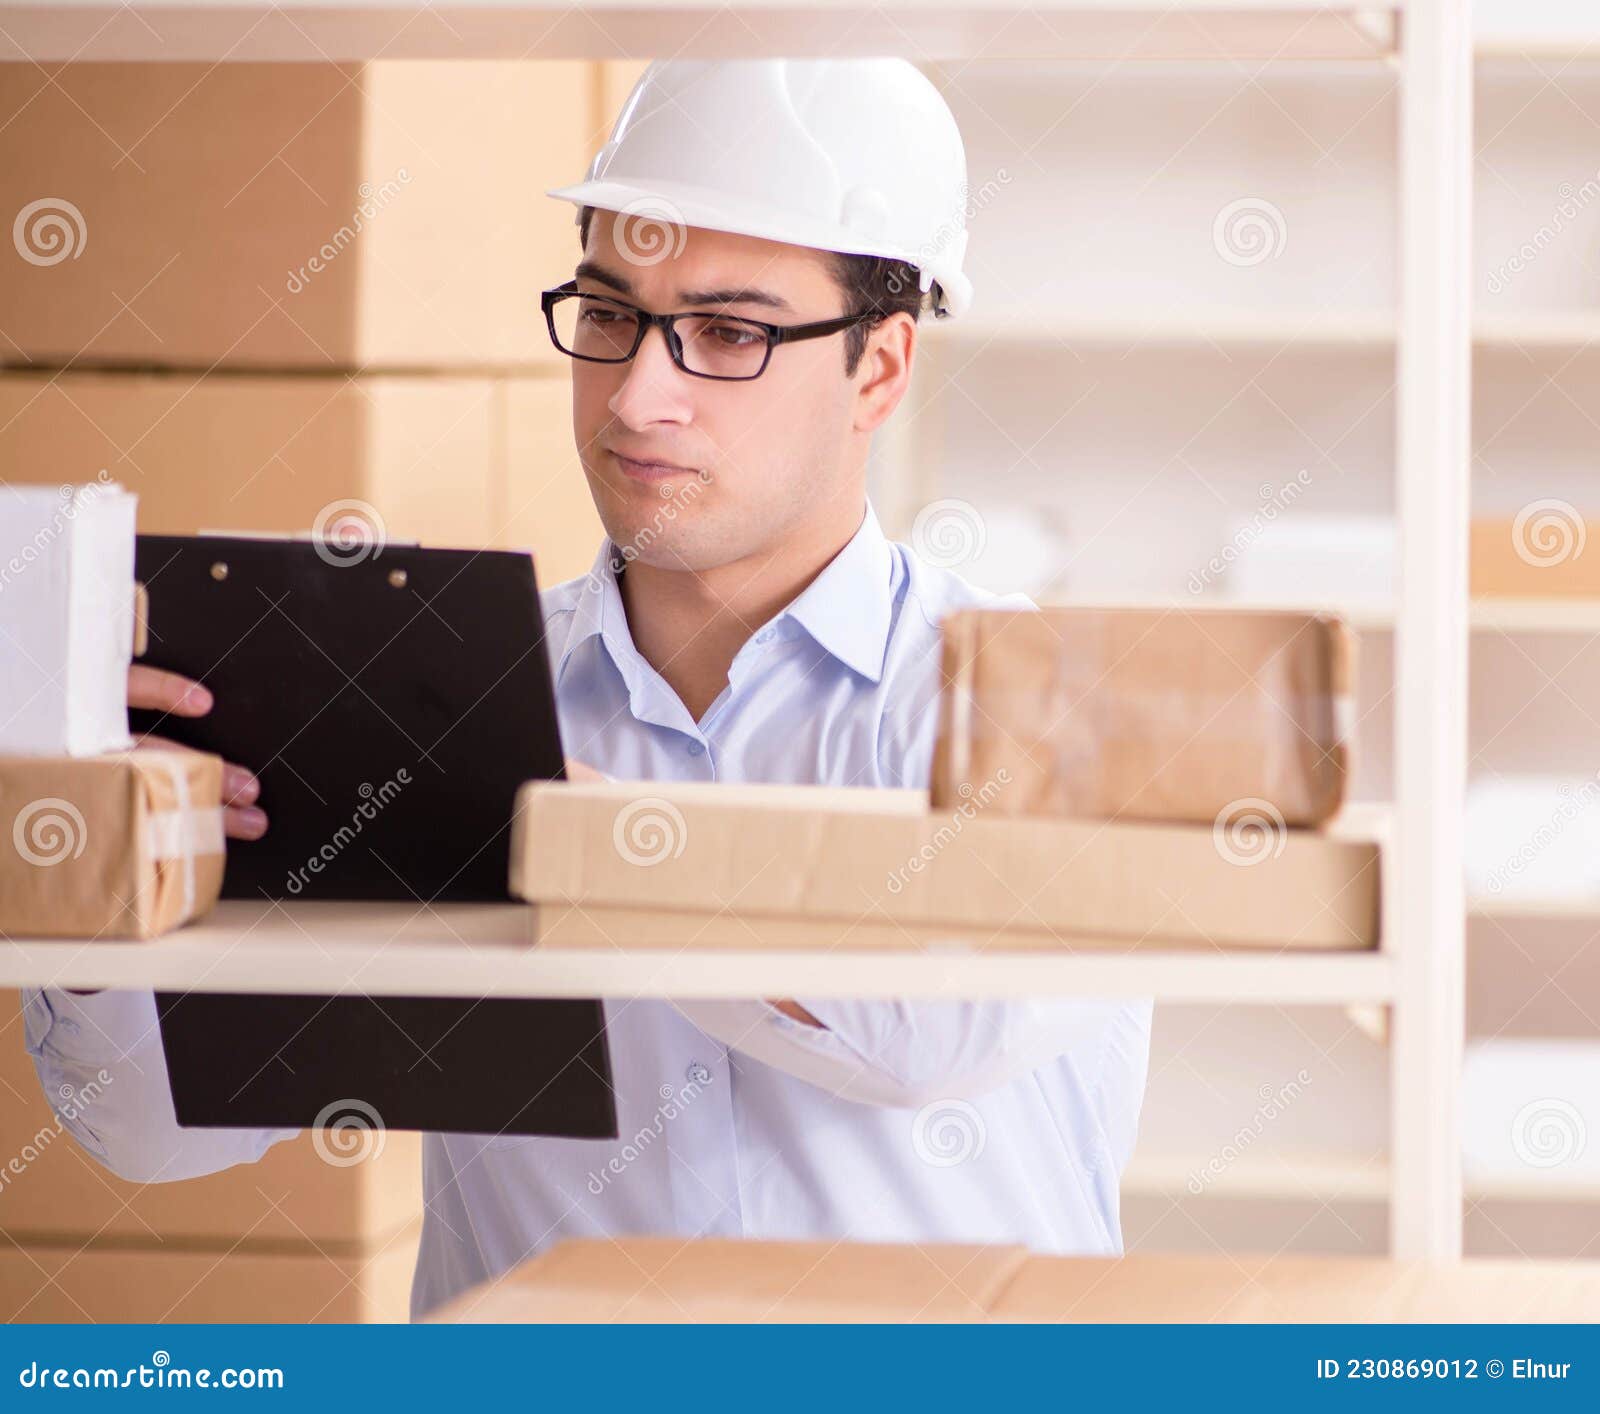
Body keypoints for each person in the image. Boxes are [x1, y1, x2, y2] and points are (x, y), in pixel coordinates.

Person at [23, 58, 1152, 1319]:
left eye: (725, 332)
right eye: (610, 314)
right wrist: (104, 874)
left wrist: (600, 849)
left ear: (880, 369)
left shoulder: (1030, 700)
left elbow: (937, 1033)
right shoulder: (443, 699)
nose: (636, 393)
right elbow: (154, 1138)